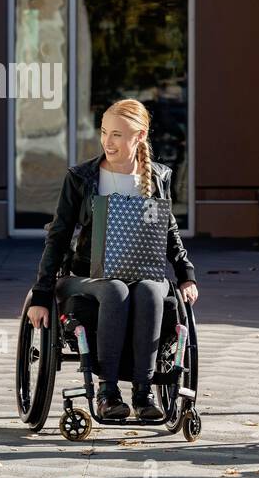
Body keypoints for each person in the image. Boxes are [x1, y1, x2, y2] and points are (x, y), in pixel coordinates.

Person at [27, 99, 199, 423]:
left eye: (118, 134)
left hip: (142, 271)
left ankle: (143, 392)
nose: (108, 141)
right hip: (86, 275)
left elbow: (169, 231)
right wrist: (40, 295)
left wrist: (186, 274)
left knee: (149, 290)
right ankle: (107, 392)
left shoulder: (158, 177)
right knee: (116, 289)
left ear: (139, 136)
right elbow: (59, 237)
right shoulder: (81, 178)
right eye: (104, 132)